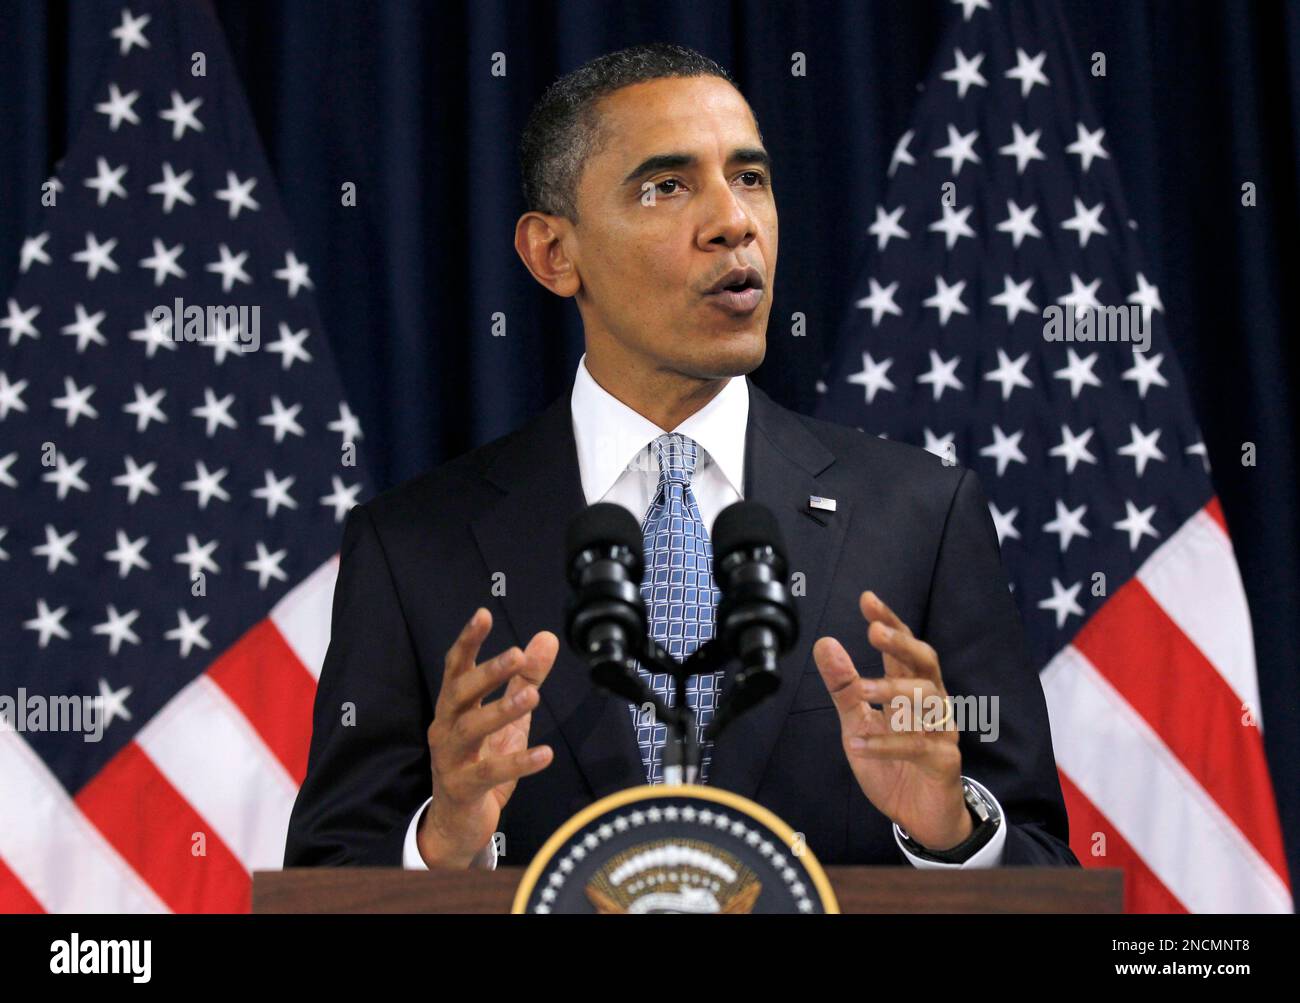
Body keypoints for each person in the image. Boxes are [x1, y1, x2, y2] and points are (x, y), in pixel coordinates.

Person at [283, 43, 1078, 872]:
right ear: (555, 254)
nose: (733, 221)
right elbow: (328, 877)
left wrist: (950, 832)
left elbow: (1047, 873)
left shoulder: (921, 515)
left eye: (751, 178)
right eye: (667, 186)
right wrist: (443, 842)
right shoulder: (412, 545)